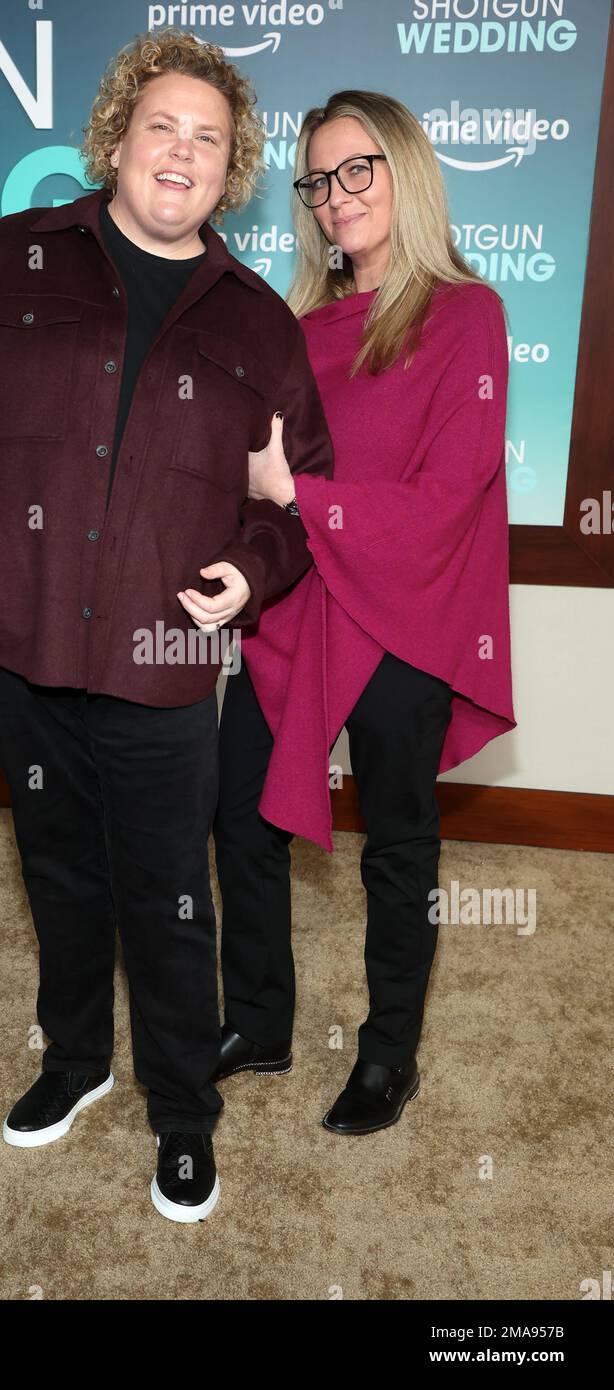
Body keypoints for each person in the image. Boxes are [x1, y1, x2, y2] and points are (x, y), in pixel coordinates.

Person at [0, 29, 334, 1221]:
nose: (181, 151)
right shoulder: (8, 261)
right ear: (116, 140)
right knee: (56, 863)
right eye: (161, 126)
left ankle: (183, 1112)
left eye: (208, 139)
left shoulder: (258, 327)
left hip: (164, 657)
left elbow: (296, 497)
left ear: (231, 174)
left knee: (169, 889)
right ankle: (74, 1060)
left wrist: (250, 570)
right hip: (13, 642)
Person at [212, 90, 517, 1135]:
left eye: (357, 171)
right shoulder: (297, 330)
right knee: (235, 808)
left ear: (403, 174)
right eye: (316, 180)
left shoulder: (465, 313)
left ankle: (389, 1054)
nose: (334, 198)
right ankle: (257, 1021)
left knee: (398, 841)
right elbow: (252, 476)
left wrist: (300, 496)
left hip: (409, 609)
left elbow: (452, 490)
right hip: (302, 603)